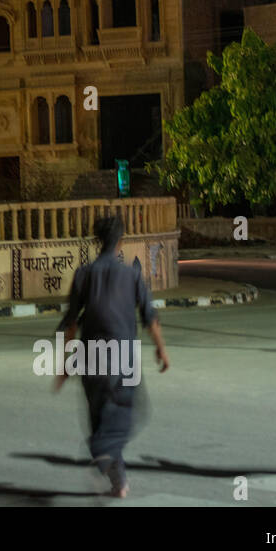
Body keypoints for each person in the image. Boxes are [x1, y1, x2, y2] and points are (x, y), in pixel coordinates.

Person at [56, 213, 170, 497]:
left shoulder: (83, 274)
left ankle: (117, 480)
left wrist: (66, 363)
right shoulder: (131, 274)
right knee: (127, 413)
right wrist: (161, 349)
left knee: (100, 415)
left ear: (98, 242)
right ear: (121, 242)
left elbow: (71, 322)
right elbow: (150, 317)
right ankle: (104, 451)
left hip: (90, 357)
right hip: (122, 358)